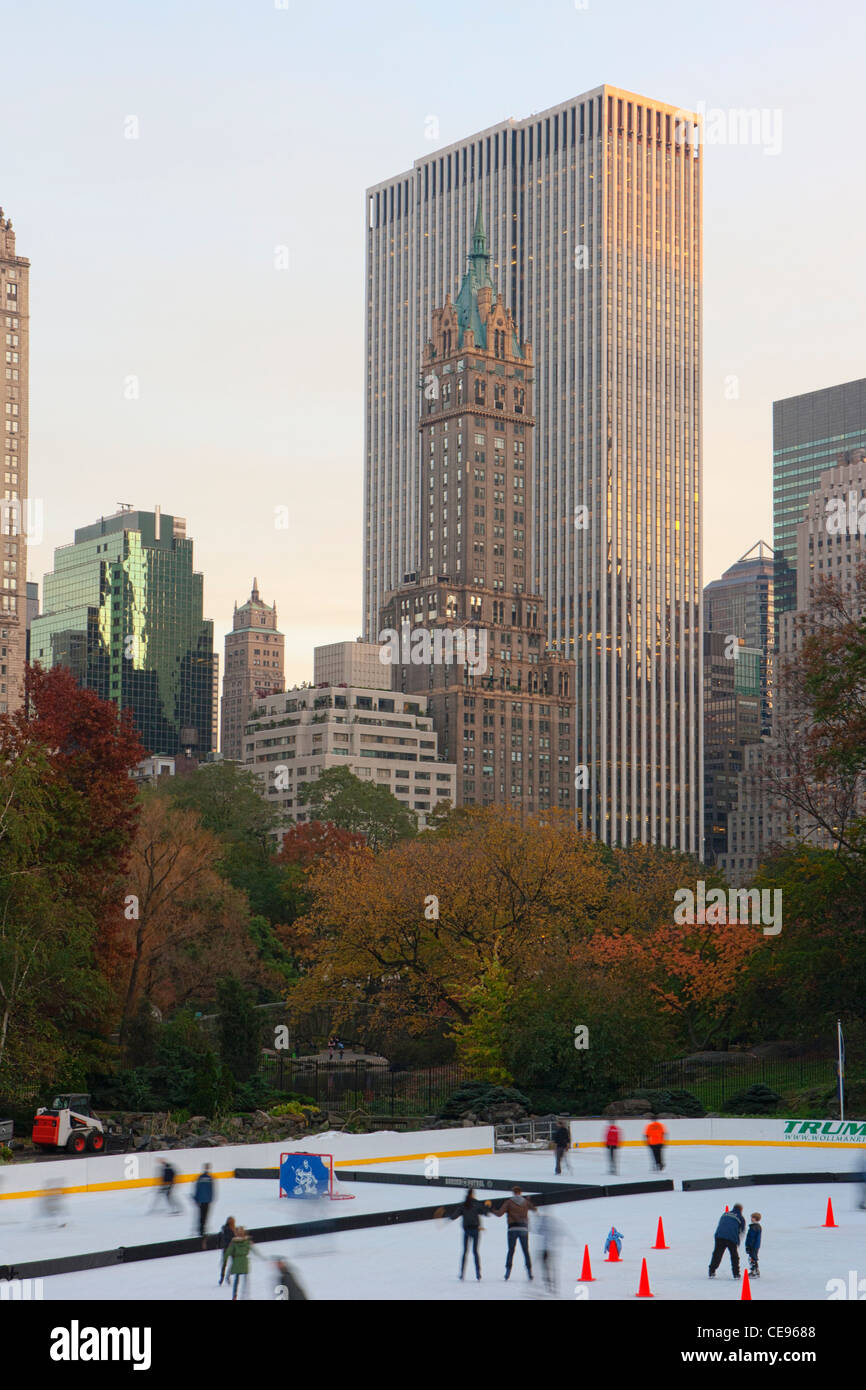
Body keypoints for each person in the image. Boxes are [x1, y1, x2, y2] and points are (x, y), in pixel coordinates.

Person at [437, 1188, 491, 1281]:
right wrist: (487, 1206)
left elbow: (454, 1216)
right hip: (475, 1230)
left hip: (466, 1230)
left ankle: (462, 1274)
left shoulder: (463, 1205)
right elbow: (485, 1213)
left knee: (465, 1252)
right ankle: (478, 1274)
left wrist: (444, 1215)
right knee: (475, 1252)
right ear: (473, 1194)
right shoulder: (476, 1204)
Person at [493, 1186, 537, 1281]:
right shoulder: (525, 1202)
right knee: (526, 1251)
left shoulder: (508, 1202)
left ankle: (507, 1272)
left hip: (512, 1229)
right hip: (523, 1229)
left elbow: (499, 1214)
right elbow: (534, 1209)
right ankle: (529, 1272)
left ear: (513, 1192)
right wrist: (529, 1201)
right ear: (520, 1192)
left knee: (511, 1251)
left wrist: (491, 1209)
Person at [708, 1203, 746, 1279]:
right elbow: (742, 1231)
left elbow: (720, 1223)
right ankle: (736, 1274)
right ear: (741, 1210)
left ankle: (712, 1271)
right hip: (731, 1238)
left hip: (719, 1236)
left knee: (717, 1254)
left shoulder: (725, 1214)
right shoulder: (741, 1218)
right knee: (734, 1255)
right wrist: (738, 1242)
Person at [225, 1225, 262, 1300]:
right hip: (244, 1261)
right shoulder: (247, 1241)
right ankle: (245, 1295)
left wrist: (224, 1259)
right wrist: (261, 1256)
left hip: (237, 1261)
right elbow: (254, 1250)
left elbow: (228, 1252)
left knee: (236, 1280)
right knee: (246, 1279)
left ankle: (234, 1295)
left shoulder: (234, 1242)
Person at [192, 1163, 215, 1248]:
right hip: (207, 1200)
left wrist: (195, 1198)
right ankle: (203, 1229)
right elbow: (212, 1190)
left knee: (201, 1215)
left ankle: (200, 1229)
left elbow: (196, 1188)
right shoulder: (210, 1178)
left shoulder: (200, 1178)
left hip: (201, 1199)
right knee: (205, 1215)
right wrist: (211, 1199)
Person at [218, 1216, 237, 1285]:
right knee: (227, 1263)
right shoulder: (228, 1230)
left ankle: (224, 1277)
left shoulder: (228, 1229)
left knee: (227, 1263)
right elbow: (231, 1238)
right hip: (228, 1248)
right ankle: (224, 1277)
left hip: (228, 1248)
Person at [745, 1212, 762, 1278]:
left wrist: (748, 1245)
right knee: (753, 1257)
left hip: (753, 1245)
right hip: (755, 1245)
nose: (751, 1219)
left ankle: (754, 1271)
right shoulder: (757, 1226)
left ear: (755, 1219)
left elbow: (751, 1237)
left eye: (753, 1218)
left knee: (752, 1258)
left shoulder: (754, 1227)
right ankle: (756, 1271)